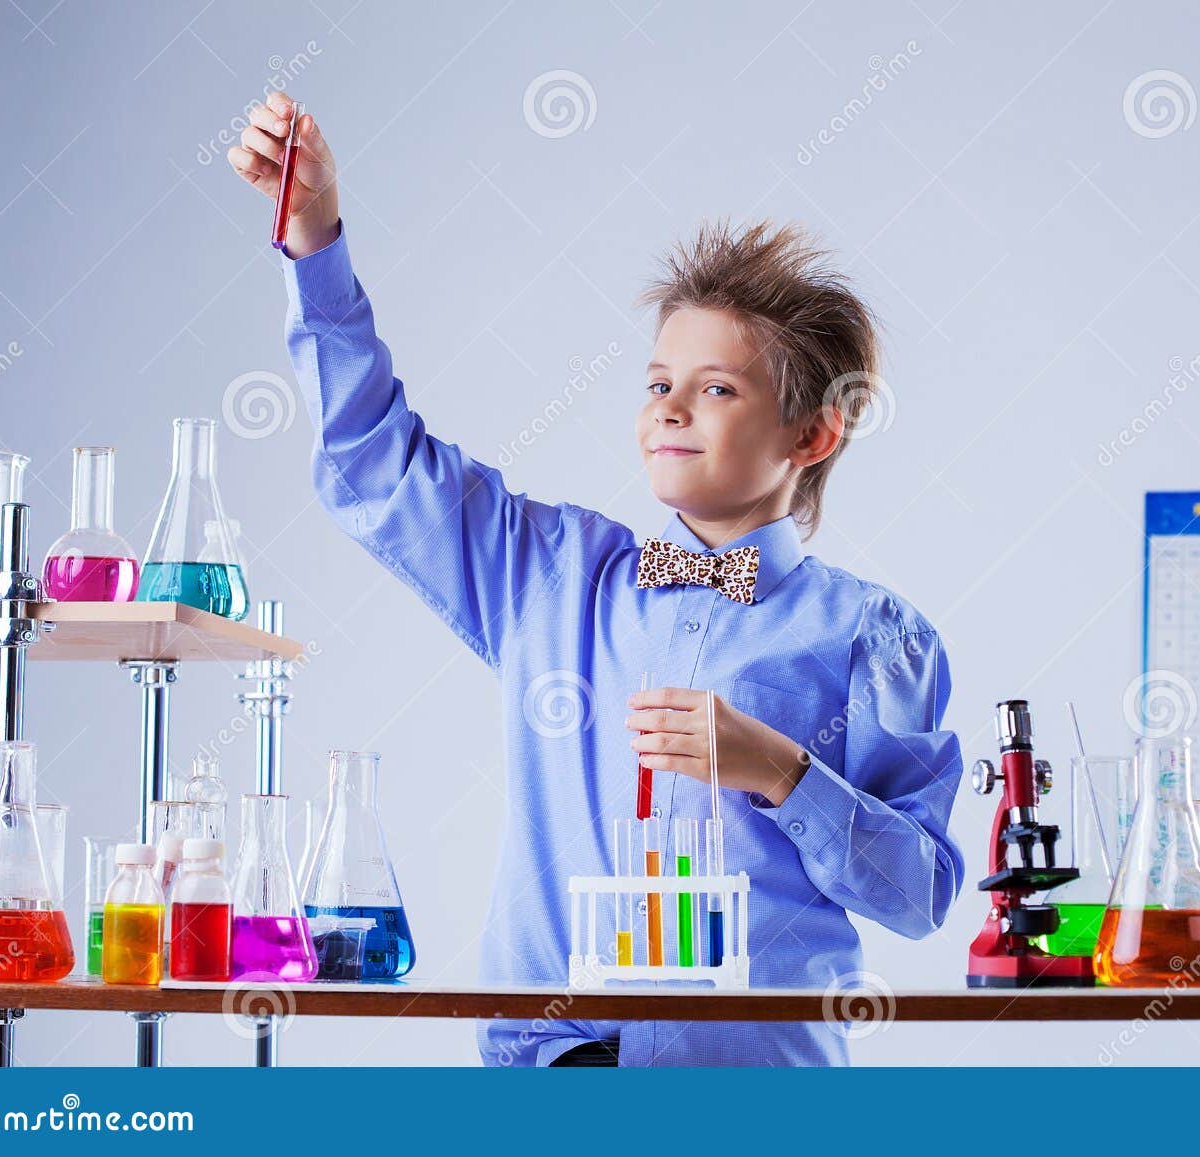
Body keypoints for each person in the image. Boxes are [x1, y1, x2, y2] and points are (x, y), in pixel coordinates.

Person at [230, 92, 964, 1066]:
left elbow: (918, 894)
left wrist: (781, 771)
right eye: (659, 382)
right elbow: (372, 462)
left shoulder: (877, 636)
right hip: (551, 1074)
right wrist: (314, 238)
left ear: (811, 432)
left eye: (716, 387)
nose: (670, 408)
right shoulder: (551, 575)